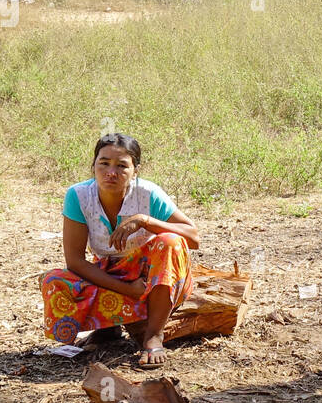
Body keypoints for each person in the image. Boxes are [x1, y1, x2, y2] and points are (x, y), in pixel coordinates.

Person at [40, 134, 201, 367]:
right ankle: (108, 328)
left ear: (135, 170)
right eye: (103, 163)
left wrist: (145, 220)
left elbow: (193, 237)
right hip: (111, 274)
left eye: (122, 166)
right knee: (54, 281)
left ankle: (154, 336)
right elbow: (75, 261)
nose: (111, 173)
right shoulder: (79, 196)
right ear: (93, 165)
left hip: (150, 278)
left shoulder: (147, 193)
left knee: (170, 242)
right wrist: (128, 289)